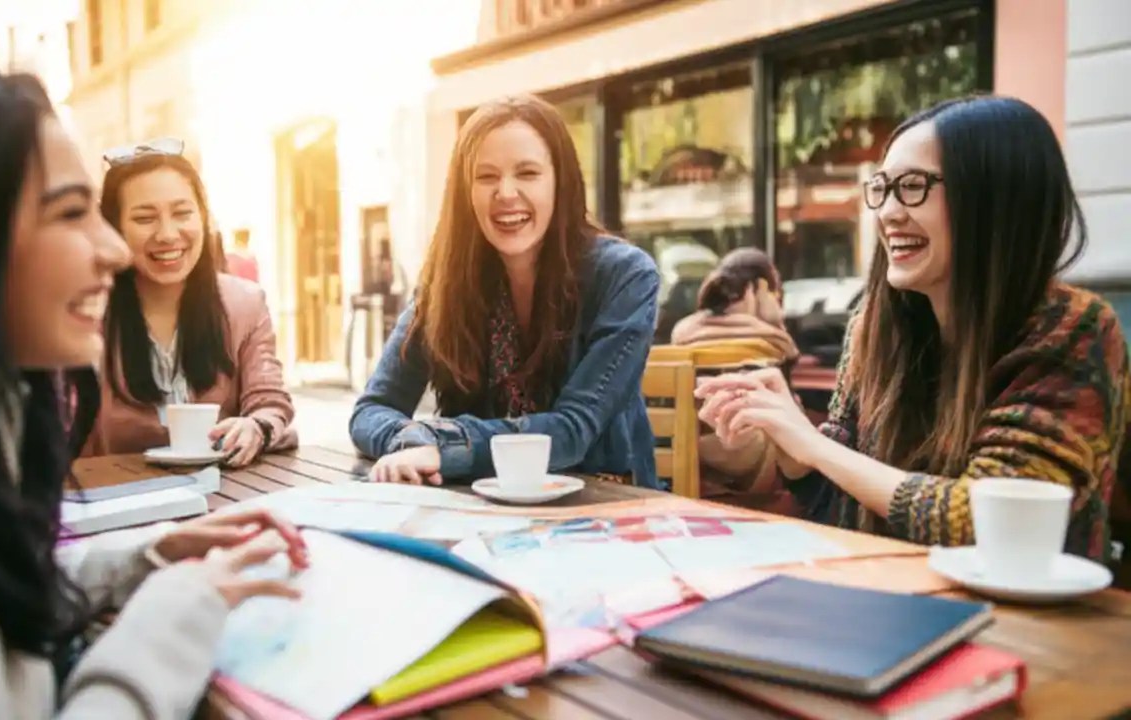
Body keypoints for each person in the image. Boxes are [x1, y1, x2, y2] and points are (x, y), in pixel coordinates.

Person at [0, 57, 308, 718]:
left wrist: (147, 557)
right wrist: (167, 625)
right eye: (71, 213)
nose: (118, 249)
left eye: (181, 213)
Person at [698, 96, 1130, 561]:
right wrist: (789, 448)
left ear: (994, 198)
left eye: (912, 186)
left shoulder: (1075, 330)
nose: (887, 213)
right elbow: (840, 508)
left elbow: (989, 521)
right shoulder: (876, 325)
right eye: (882, 188)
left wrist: (813, 447)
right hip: (893, 599)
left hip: (1029, 623)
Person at [349, 94, 660, 487]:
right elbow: (372, 410)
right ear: (465, 193)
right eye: (486, 176)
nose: (506, 193)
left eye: (527, 173)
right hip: (480, 510)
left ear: (560, 182)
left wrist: (445, 447)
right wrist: (417, 441)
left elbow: (571, 432)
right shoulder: (446, 282)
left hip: (603, 508)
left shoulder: (627, 277)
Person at [81, 141, 296, 466]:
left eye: (182, 213)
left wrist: (255, 426)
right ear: (113, 229)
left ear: (203, 217)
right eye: (144, 218)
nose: (168, 234)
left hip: (228, 495)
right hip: (117, 499)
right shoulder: (88, 313)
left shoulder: (245, 304)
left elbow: (271, 402)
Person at [670, 248, 799, 513]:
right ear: (760, 288)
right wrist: (775, 320)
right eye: (776, 291)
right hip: (744, 463)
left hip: (681, 457)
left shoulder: (681, 332)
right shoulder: (770, 341)